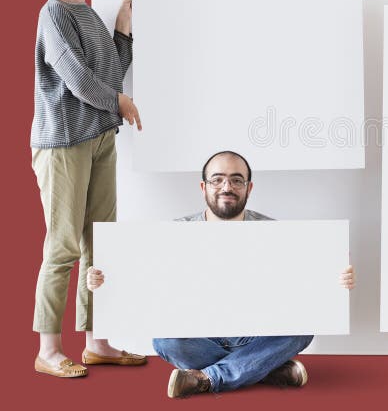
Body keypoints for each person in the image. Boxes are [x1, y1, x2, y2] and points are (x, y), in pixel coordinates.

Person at [88, 150, 356, 398]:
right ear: (203, 187)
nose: (227, 187)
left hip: (257, 334)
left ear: (249, 188)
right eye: (217, 180)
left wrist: (334, 281)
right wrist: (105, 281)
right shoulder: (175, 233)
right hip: (200, 338)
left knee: (302, 329)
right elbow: (145, 284)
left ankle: (208, 377)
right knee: (164, 341)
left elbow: (302, 288)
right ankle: (266, 368)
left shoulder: (275, 233)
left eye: (237, 180)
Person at [32, 0, 145, 378]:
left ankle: (97, 343)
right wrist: (121, 103)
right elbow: (78, 80)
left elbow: (111, 74)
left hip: (99, 137)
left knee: (102, 243)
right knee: (63, 245)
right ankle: (48, 350)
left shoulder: (90, 15)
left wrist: (121, 31)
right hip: (63, 141)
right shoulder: (54, 14)